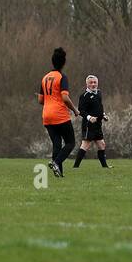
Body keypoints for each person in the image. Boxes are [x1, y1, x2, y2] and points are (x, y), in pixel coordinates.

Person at [39, 47, 79, 178]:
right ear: (63, 63)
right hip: (59, 115)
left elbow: (40, 100)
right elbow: (65, 98)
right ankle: (56, 162)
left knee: (56, 143)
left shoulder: (44, 78)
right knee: (70, 142)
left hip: (47, 116)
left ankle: (59, 173)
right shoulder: (62, 77)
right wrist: (75, 110)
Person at [72, 75, 109, 169]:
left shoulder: (99, 93)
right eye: (91, 82)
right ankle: (75, 167)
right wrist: (89, 117)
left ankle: (105, 167)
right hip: (89, 125)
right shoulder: (84, 96)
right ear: (87, 84)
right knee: (85, 145)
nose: (93, 84)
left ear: (97, 83)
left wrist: (103, 115)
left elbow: (99, 107)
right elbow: (81, 110)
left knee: (102, 145)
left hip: (98, 124)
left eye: (94, 82)